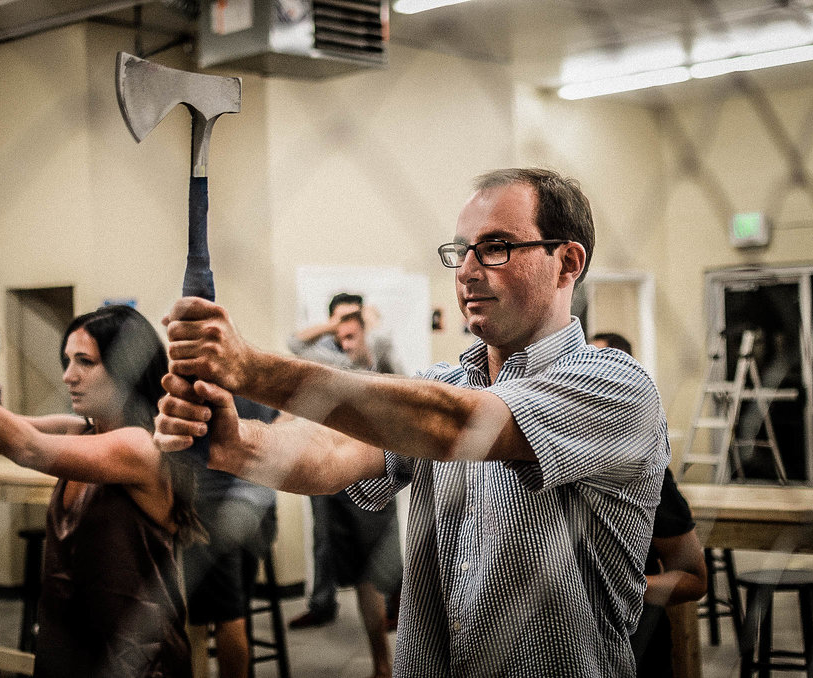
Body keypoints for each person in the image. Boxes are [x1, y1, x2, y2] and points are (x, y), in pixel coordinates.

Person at [155, 168, 670, 677]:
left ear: (568, 261)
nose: (467, 270)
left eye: (496, 247)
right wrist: (236, 441)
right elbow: (334, 452)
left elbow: (456, 425)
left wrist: (250, 369)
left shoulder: (615, 387)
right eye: (460, 250)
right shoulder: (444, 383)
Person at [0, 299, 196, 678]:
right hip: (73, 651)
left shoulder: (141, 447)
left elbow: (25, 446)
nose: (68, 375)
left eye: (85, 362)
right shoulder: (84, 431)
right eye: (67, 361)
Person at [590, 332, 707, 678]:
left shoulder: (641, 463)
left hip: (634, 648)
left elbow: (694, 580)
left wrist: (618, 587)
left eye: (601, 369)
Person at [286, 295, 402, 634]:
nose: (345, 337)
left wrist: (366, 323)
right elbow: (294, 343)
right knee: (326, 542)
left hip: (374, 464)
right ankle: (323, 604)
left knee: (381, 544)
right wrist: (337, 326)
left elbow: (393, 360)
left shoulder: (379, 351)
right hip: (330, 460)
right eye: (340, 329)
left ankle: (396, 603)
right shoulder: (327, 354)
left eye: (352, 329)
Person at [182, 395, 280, 678]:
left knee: (228, 617)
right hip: (261, 510)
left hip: (213, 510)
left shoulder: (197, 382)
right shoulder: (252, 376)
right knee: (235, 608)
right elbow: (279, 427)